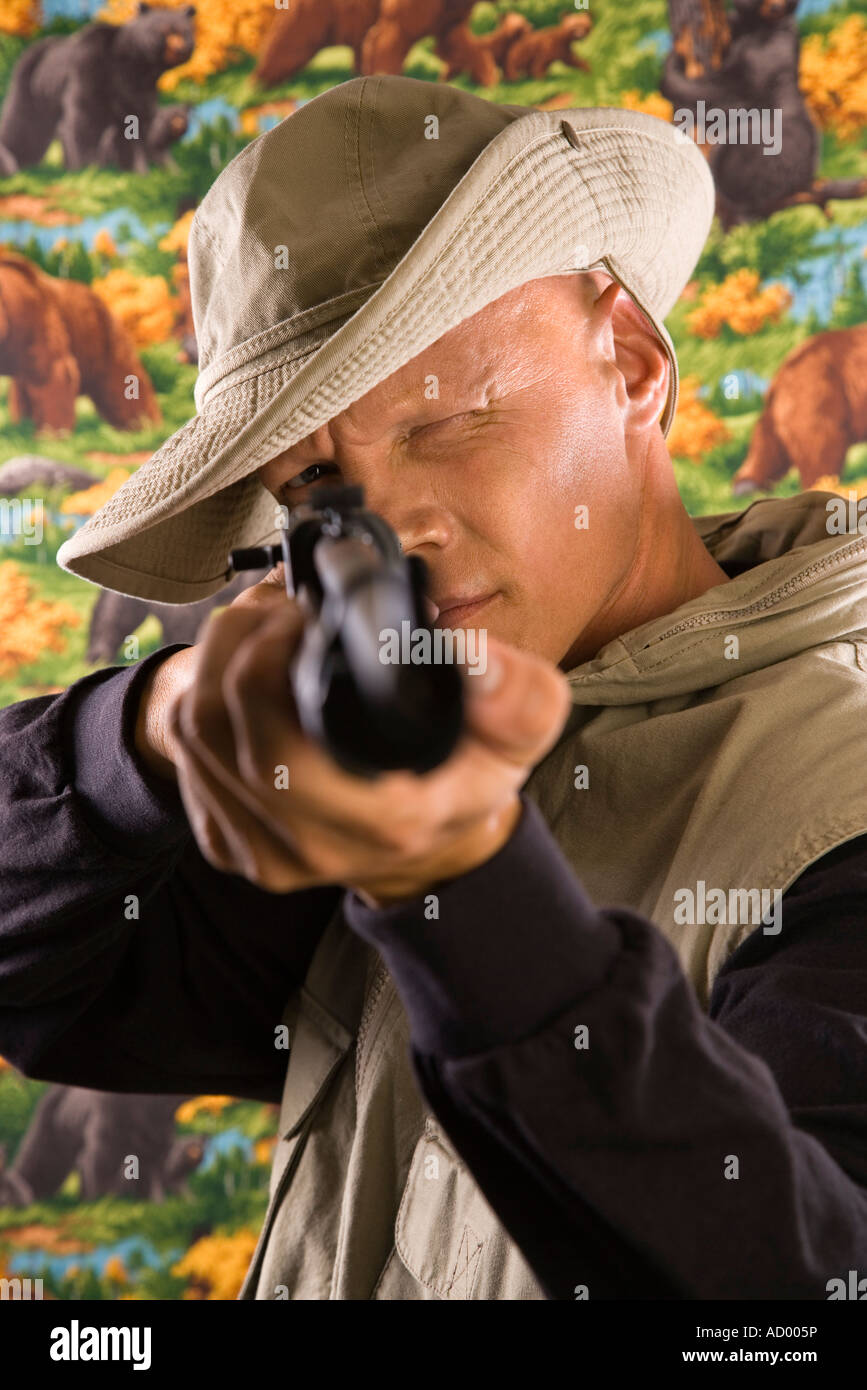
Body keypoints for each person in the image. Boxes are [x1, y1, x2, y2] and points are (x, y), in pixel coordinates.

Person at [2, 76, 866, 1301]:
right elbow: (36, 981)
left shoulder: (843, 802)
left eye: (440, 420)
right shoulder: (357, 763)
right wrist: (151, 736)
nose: (389, 532)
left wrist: (461, 888)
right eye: (313, 489)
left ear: (628, 356)